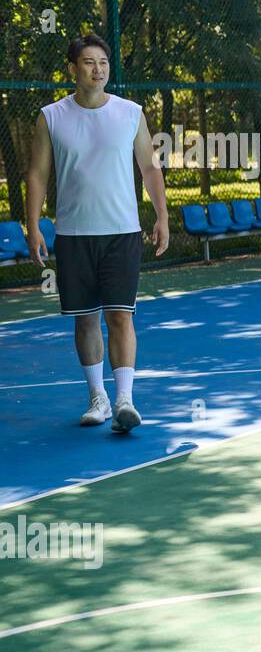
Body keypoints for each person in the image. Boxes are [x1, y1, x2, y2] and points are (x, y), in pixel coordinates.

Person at [25, 33, 170, 433]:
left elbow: (150, 169)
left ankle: (125, 398)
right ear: (73, 69)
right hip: (73, 235)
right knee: (85, 320)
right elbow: (37, 174)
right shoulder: (51, 116)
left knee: (121, 315)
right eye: (89, 62)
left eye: (103, 62)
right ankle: (98, 398)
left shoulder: (130, 113)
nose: (98, 69)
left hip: (122, 232)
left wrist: (162, 216)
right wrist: (34, 224)